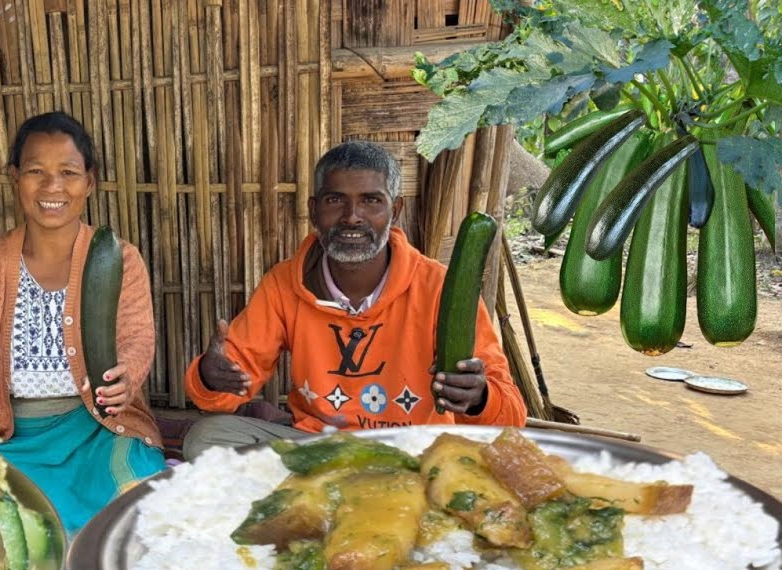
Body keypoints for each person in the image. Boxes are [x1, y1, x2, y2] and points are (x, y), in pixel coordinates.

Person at [182, 140, 526, 459]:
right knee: (206, 439)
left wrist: (479, 398)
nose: (351, 216)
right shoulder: (285, 283)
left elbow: (511, 417)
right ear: (314, 210)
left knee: (477, 466)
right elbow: (228, 386)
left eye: (370, 200)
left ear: (396, 209)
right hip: (322, 449)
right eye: (335, 200)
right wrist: (212, 377)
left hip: (417, 453)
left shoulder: (438, 286)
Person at [0, 111, 166, 534]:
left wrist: (129, 374)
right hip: (16, 438)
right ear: (15, 178)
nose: (52, 187)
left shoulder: (119, 258)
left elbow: (137, 336)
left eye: (68, 172)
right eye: (36, 171)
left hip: (98, 431)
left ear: (90, 181)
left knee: (142, 508)